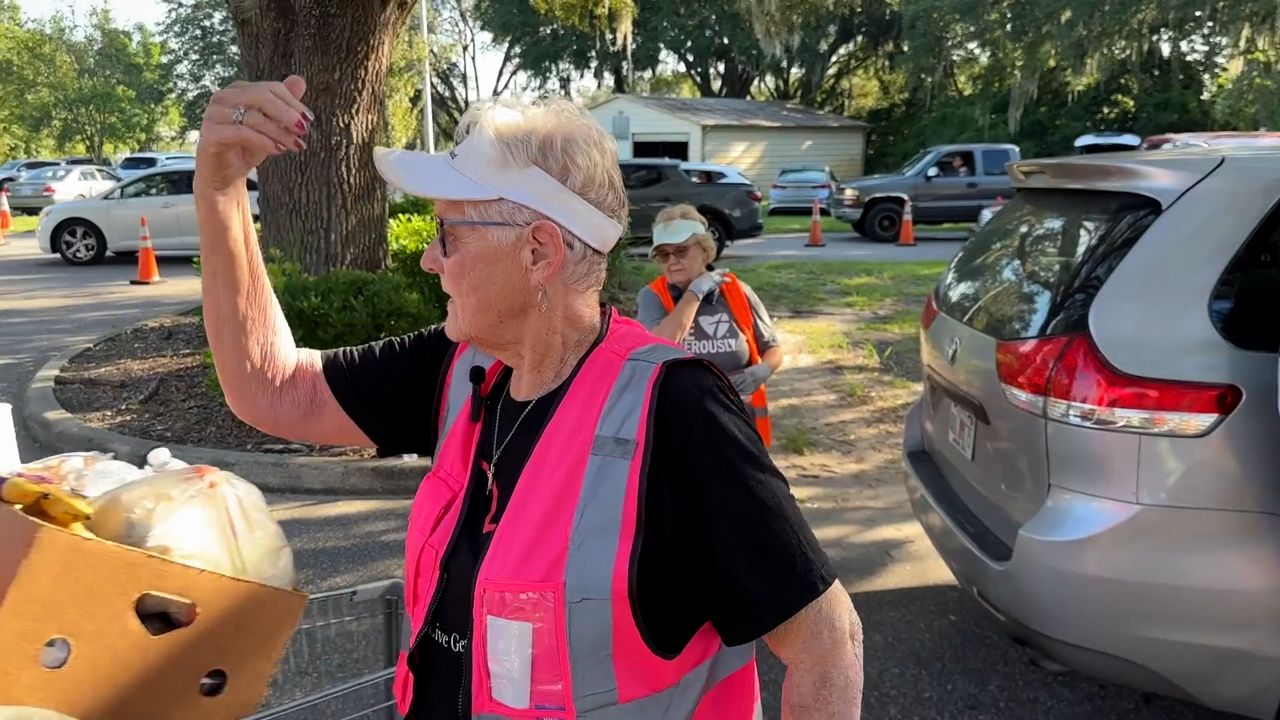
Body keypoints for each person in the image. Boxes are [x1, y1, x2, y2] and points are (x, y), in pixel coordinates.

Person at [194, 76, 863, 720]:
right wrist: (221, 186)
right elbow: (270, 386)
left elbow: (828, 645)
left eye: (448, 235)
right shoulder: (461, 364)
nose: (430, 259)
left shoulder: (677, 411)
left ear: (539, 253)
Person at [636, 204, 782, 447]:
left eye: (681, 251)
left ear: (704, 250)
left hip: (739, 421)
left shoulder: (737, 292)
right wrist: (694, 292)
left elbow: (772, 347)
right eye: (663, 254)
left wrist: (763, 370)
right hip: (682, 425)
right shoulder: (653, 297)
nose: (672, 261)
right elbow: (660, 344)